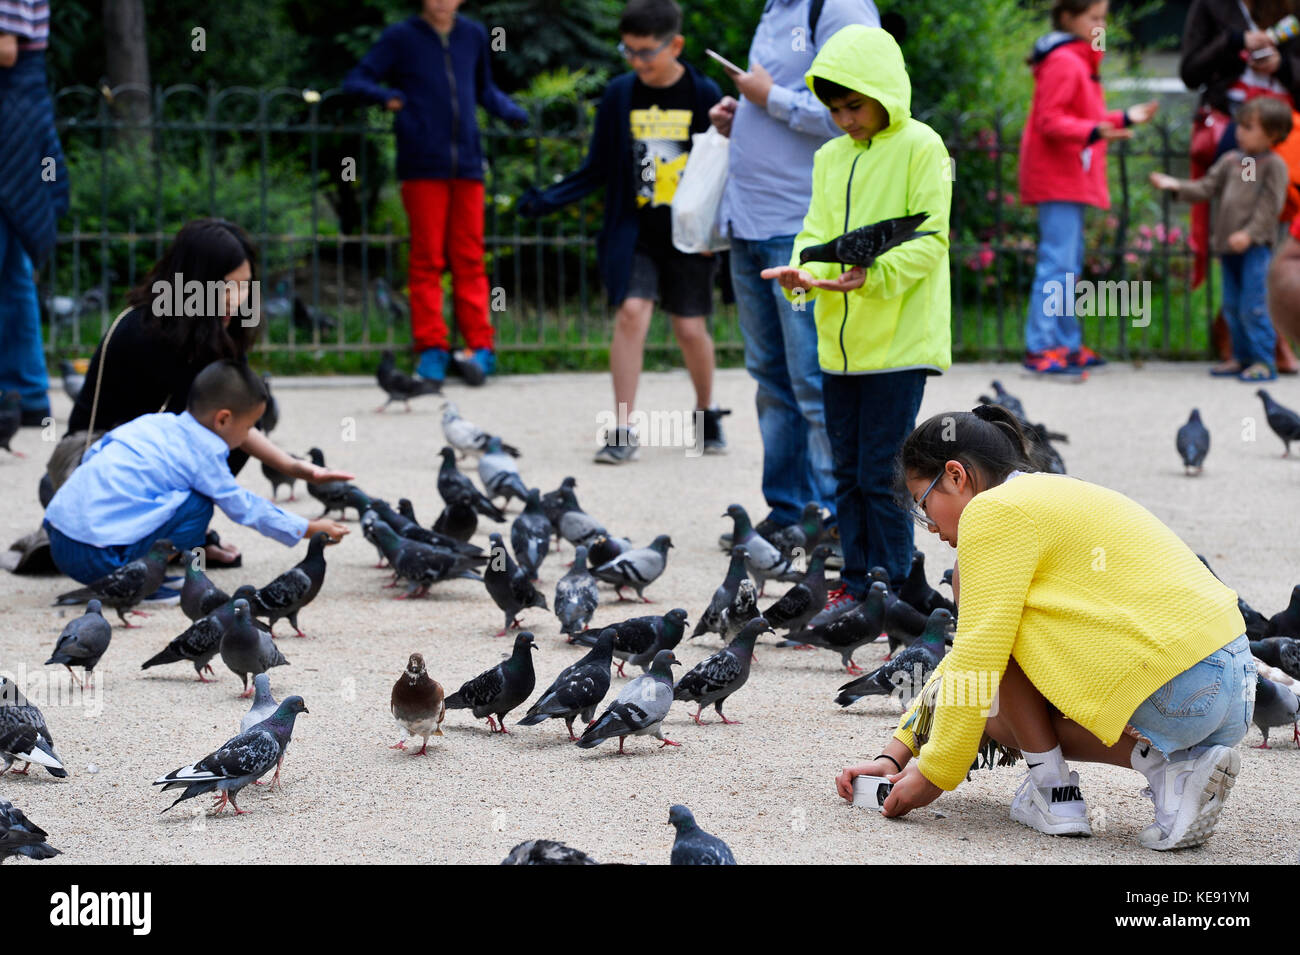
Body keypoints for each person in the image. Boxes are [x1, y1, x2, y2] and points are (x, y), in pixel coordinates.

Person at [834, 406, 1253, 851]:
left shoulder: (991, 514)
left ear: (956, 476)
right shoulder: (1055, 492)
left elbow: (978, 657)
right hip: (1235, 687)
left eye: (924, 505)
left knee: (991, 689)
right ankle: (1176, 772)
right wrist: (895, 753)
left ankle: (1056, 795)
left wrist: (935, 773)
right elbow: (966, 657)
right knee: (995, 646)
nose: (931, 527)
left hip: (1173, 689)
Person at [761, 25, 950, 616]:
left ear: (884, 91)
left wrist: (874, 276)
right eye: (835, 108)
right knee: (844, 471)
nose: (845, 118)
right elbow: (813, 234)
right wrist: (799, 272)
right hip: (839, 345)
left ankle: (889, 587)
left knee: (879, 472)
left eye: (854, 104)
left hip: (899, 343)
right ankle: (856, 583)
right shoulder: (828, 156)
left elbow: (933, 241)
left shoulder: (924, 146)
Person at [55, 219, 352, 566]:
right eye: (225, 288)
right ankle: (161, 544)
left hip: (140, 462)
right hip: (91, 467)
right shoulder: (150, 331)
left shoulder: (210, 326)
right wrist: (302, 524)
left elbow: (232, 421)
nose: (237, 300)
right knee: (217, 440)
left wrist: (298, 467)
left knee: (231, 435)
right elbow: (191, 441)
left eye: (244, 287)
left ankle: (174, 538)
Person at [517, 0, 726, 464]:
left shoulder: (703, 92)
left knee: (690, 327)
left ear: (676, 45)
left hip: (688, 233)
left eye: (646, 52)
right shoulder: (619, 95)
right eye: (627, 51)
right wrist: (549, 199)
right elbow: (598, 166)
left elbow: (720, 168)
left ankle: (707, 413)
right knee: (632, 311)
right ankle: (624, 427)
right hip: (633, 231)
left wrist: (717, 232)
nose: (635, 62)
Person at [708, 0, 879, 548]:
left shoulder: (840, 8)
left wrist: (769, 100)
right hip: (750, 220)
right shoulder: (775, 8)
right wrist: (747, 114)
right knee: (770, 378)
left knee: (811, 377)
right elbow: (786, 101)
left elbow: (863, 107)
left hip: (801, 226)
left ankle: (831, 518)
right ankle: (788, 511)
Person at [344, 0, 528, 387]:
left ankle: (480, 348)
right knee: (427, 259)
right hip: (422, 163)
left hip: (469, 166)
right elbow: (356, 81)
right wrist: (387, 98)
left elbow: (484, 90)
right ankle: (432, 349)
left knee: (470, 258)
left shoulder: (474, 35)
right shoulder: (401, 37)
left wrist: (511, 111)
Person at [43, 360, 348, 586]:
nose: (248, 437)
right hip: (97, 557)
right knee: (198, 503)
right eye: (248, 427)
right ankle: (136, 581)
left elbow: (96, 453)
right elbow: (243, 507)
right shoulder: (204, 452)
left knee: (166, 494)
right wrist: (308, 527)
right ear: (224, 420)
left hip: (58, 534)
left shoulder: (155, 423)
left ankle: (129, 569)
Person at [1018, 0, 1158, 375]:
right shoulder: (1066, 61)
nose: (1101, 26)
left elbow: (1085, 118)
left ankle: (1066, 345)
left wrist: (1125, 117)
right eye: (1093, 18)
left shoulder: (1078, 60)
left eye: (1104, 19)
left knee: (1068, 266)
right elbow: (1051, 120)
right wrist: (1095, 130)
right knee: (1058, 263)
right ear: (1067, 17)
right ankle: (1041, 348)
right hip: (1058, 177)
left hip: (1068, 176)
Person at [1180, 0, 1300, 373]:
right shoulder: (1212, 6)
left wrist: (1282, 66)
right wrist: (1236, 41)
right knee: (1241, 237)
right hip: (1235, 131)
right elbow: (1191, 71)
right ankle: (1247, 341)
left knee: (1275, 236)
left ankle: (1269, 338)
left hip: (1285, 132)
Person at [1150, 96, 1292, 381]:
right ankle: (1240, 358)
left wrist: (1250, 234)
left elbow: (1270, 206)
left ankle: (1263, 360)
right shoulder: (1231, 161)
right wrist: (1176, 184)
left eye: (1249, 127)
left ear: (1272, 134)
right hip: (1228, 247)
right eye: (1240, 125)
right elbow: (1206, 187)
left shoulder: (1273, 165)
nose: (1239, 132)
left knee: (1254, 305)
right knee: (1231, 305)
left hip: (1254, 249)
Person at [0, 1, 68, 427]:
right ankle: (27, 394)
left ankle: (25, 391)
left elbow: (5, 50)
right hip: (20, 117)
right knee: (12, 271)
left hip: (10, 117)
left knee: (10, 268)